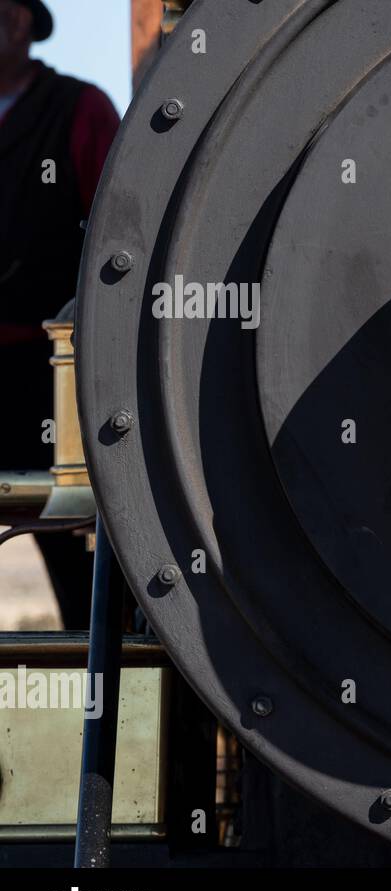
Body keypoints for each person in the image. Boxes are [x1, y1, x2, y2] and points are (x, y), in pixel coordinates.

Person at [0, 0, 120, 628]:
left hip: (54, 380)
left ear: (22, 22)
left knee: (80, 546)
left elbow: (121, 239)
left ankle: (112, 705)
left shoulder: (80, 110)